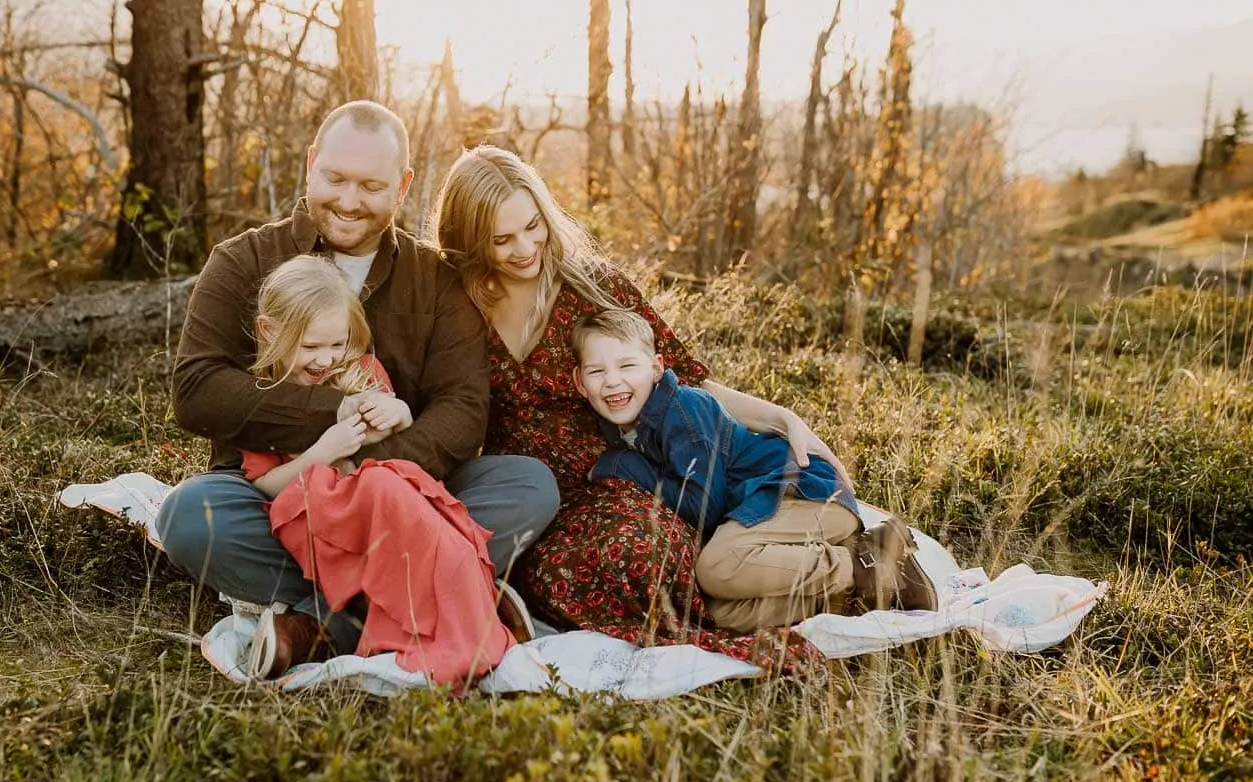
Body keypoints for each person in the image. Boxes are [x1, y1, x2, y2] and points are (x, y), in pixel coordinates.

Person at [156, 101, 559, 675]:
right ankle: (438, 596)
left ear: (403, 186)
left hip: (410, 496)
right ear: (311, 164)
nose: (348, 201)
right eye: (335, 179)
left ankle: (320, 622)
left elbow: (464, 409)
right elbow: (198, 391)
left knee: (530, 485)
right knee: (190, 517)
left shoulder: (436, 280)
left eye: (370, 186)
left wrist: (375, 478)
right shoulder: (243, 260)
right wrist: (336, 415)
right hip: (279, 498)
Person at [431, 144, 851, 672]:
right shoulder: (456, 304)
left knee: (644, 555)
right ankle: (770, 598)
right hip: (530, 497)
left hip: (619, 478)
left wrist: (784, 418)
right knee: (556, 573)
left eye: (533, 226)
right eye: (501, 239)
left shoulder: (592, 287)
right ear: (470, 240)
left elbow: (686, 382)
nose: (524, 247)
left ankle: (817, 580)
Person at [235, 254, 520, 683]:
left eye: (337, 344)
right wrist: (322, 452)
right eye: (310, 347)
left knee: (421, 497)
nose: (326, 359)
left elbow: (392, 438)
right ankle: (454, 609)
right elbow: (265, 485)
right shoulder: (263, 397)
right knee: (205, 518)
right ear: (269, 332)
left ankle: (455, 609)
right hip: (321, 521)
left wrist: (399, 412)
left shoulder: (363, 370)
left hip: (386, 514)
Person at [570, 308, 937, 631]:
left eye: (627, 365)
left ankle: (865, 564)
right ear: (579, 383)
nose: (612, 380)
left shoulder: (685, 413)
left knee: (717, 567)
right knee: (722, 611)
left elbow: (704, 508)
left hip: (802, 493)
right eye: (597, 371)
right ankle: (848, 595)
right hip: (771, 517)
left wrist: (623, 466)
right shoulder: (628, 424)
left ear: (656, 368)